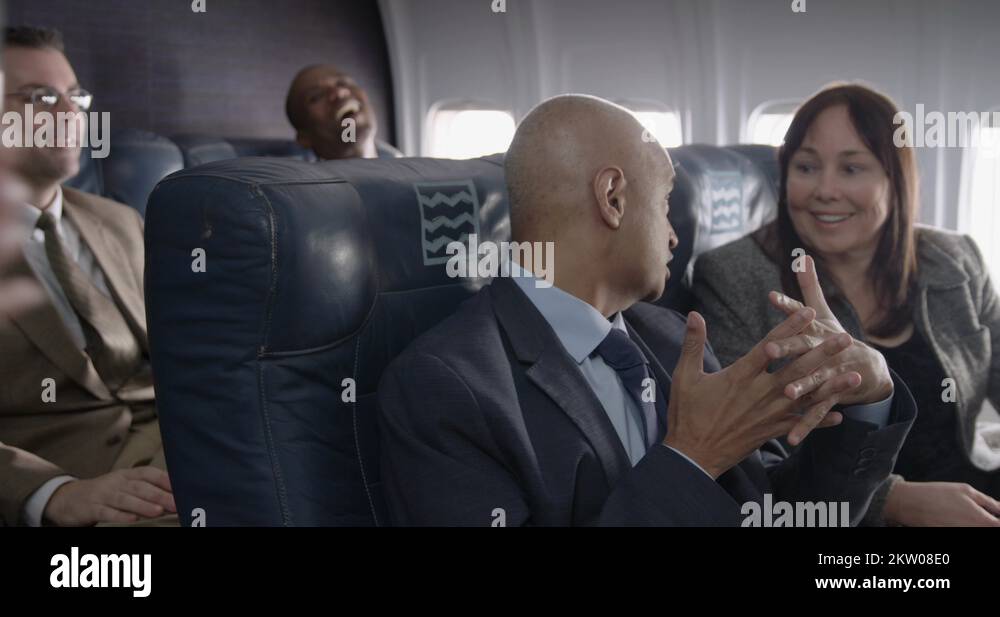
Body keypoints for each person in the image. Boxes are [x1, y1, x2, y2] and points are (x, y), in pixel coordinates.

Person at [377, 94, 916, 526]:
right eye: (663, 205)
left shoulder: (670, 336)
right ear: (612, 198)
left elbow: (781, 513)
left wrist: (870, 395)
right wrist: (691, 460)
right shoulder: (442, 388)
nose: (676, 234)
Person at [693, 83, 1000, 526]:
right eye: (806, 167)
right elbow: (750, 460)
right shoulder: (736, 274)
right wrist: (893, 500)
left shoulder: (954, 260)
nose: (825, 190)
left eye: (852, 169)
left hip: (974, 495)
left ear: (895, 179)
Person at [0, 26, 175, 527]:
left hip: (188, 442)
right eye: (40, 98)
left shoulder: (121, 221)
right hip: (77, 479)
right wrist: (54, 494)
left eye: (75, 96)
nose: (71, 114)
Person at [285, 64, 401, 160]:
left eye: (343, 83)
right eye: (317, 96)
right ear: (304, 138)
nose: (339, 92)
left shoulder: (409, 171)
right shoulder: (301, 186)